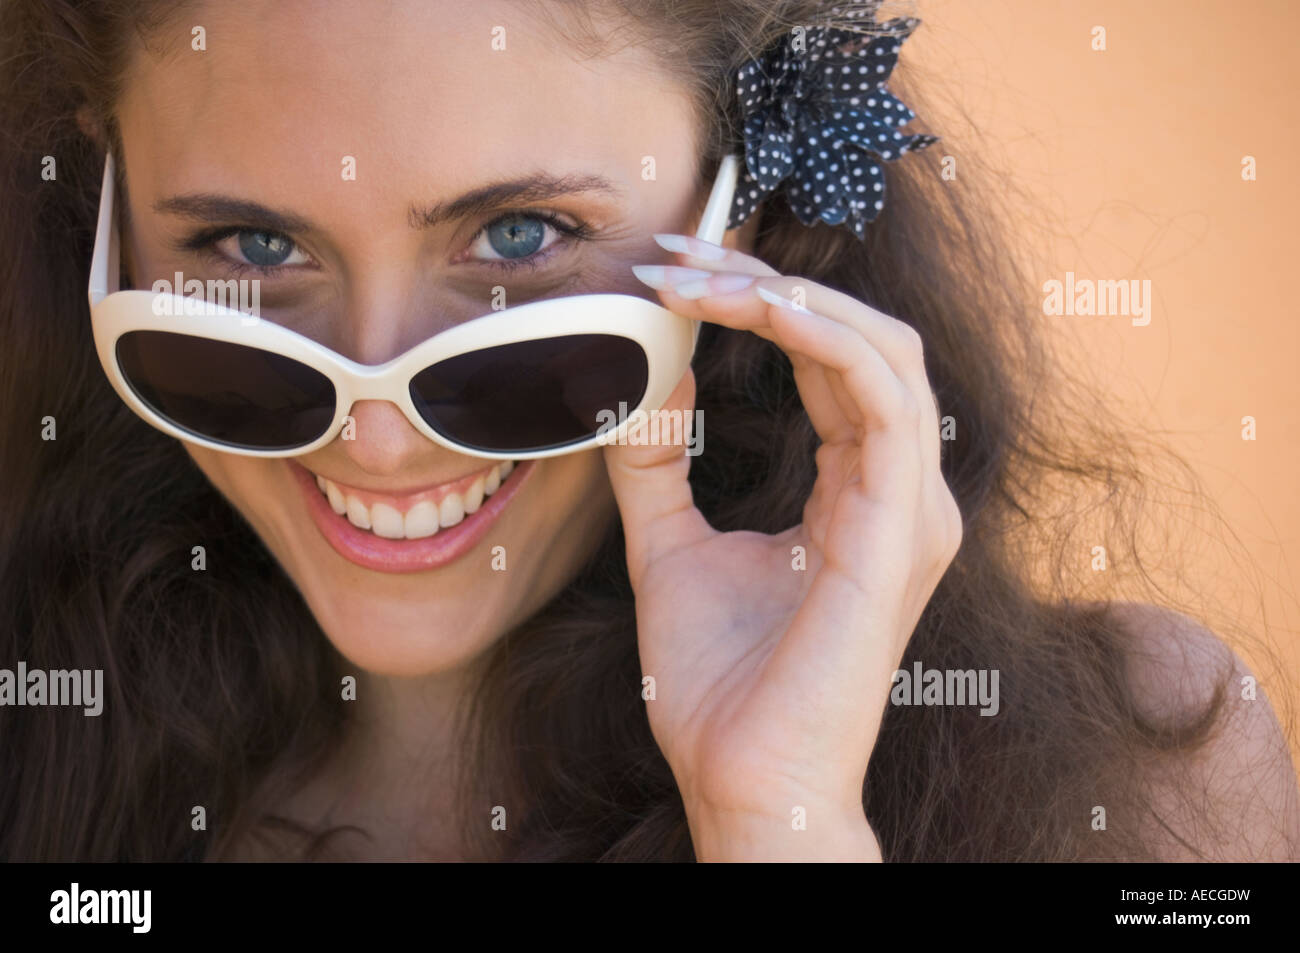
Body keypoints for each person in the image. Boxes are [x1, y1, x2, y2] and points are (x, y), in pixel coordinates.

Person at [0, 0, 1295, 862]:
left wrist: (782, 822)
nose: (379, 433)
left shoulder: (1163, 785)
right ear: (106, 213)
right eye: (255, 245)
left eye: (520, 238)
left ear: (737, 215)